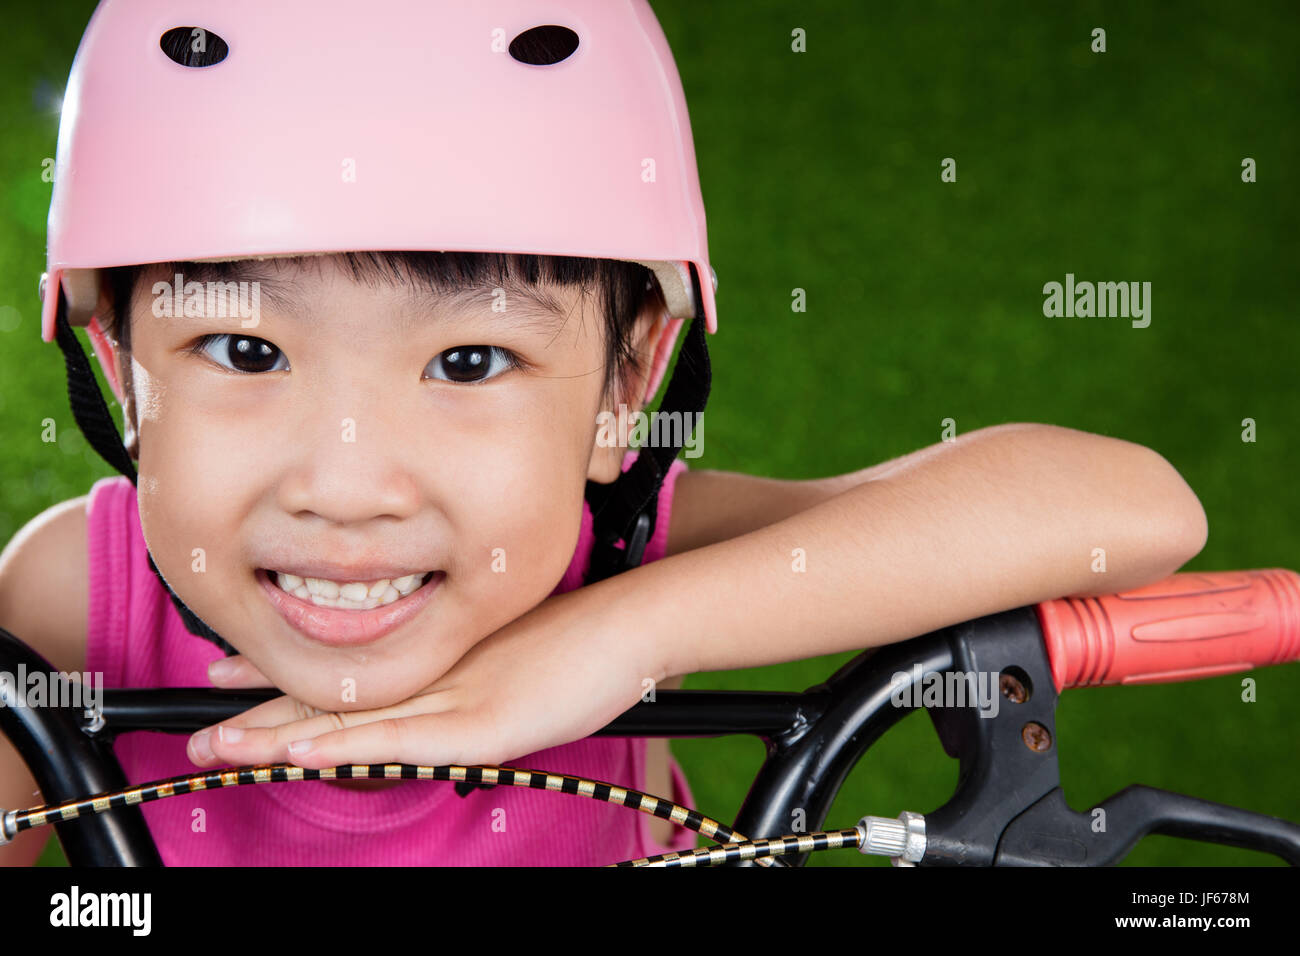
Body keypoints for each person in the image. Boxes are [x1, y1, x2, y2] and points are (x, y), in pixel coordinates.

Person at [0, 0, 1207, 866]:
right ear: (117, 364)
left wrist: (612, 634)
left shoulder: (619, 549)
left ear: (624, 384)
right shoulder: (69, 593)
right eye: (247, 352)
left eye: (470, 360)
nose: (350, 483)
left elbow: (1135, 508)